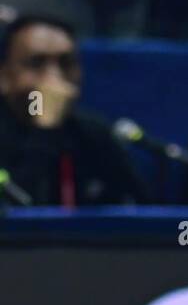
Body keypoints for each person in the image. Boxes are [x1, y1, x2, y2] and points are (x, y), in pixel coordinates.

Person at [0, 14, 147, 207]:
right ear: (4, 77)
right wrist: (45, 131)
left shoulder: (93, 134)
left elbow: (142, 213)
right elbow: (20, 213)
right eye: (36, 63)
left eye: (66, 63)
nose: (55, 76)